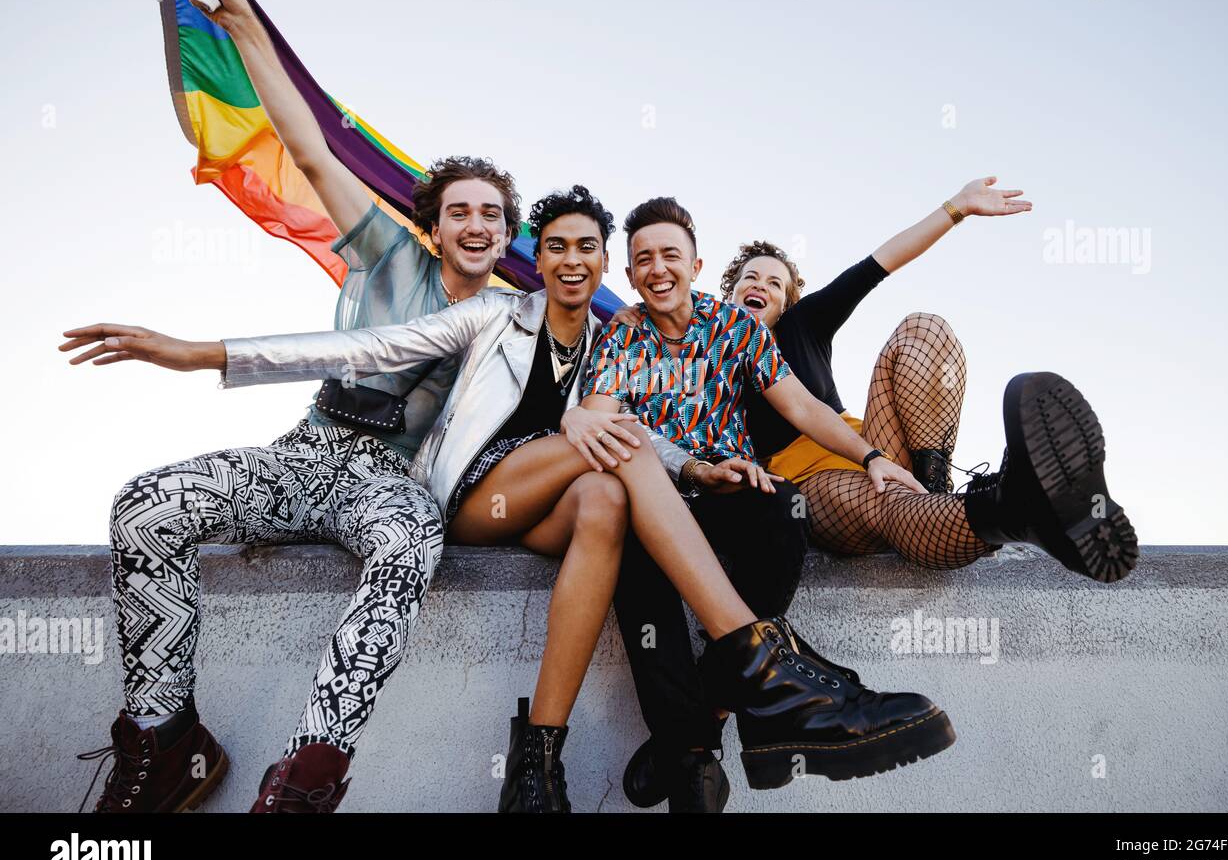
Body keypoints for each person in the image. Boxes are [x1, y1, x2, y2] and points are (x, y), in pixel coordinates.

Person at [63, 187, 958, 813]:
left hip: (561, 502)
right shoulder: (498, 315)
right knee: (615, 451)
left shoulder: (618, 339)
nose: (577, 259)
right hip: (473, 490)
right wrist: (197, 353)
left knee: (611, 498)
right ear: (541, 257)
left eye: (590, 248)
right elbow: (376, 347)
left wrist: (711, 466)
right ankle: (765, 667)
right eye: (559, 245)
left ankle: (536, 765)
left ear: (613, 262)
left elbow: (632, 428)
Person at [65, 0, 522, 814]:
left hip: (396, 483)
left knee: (410, 546)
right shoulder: (388, 250)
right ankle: (167, 740)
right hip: (307, 454)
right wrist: (245, 25)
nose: (476, 224)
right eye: (460, 209)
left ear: (506, 234)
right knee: (146, 504)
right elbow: (308, 141)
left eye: (492, 214)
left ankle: (308, 772)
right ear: (435, 220)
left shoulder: (517, 318)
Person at [586, 197, 948, 812]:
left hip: (733, 488)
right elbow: (601, 422)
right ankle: (698, 758)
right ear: (630, 275)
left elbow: (804, 408)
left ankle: (690, 729)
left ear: (695, 266)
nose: (657, 267)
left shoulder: (738, 330)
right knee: (637, 564)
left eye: (670, 254)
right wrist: (692, 465)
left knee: (785, 511)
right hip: (659, 493)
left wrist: (871, 457)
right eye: (643, 258)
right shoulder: (622, 334)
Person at [711, 176, 1139, 583]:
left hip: (872, 448)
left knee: (922, 328)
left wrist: (958, 207)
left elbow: (879, 262)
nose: (760, 286)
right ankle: (1011, 511)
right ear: (728, 293)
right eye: (750, 278)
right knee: (889, 505)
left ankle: (934, 484)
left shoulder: (802, 324)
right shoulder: (703, 351)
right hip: (806, 484)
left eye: (774, 282)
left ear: (787, 301)